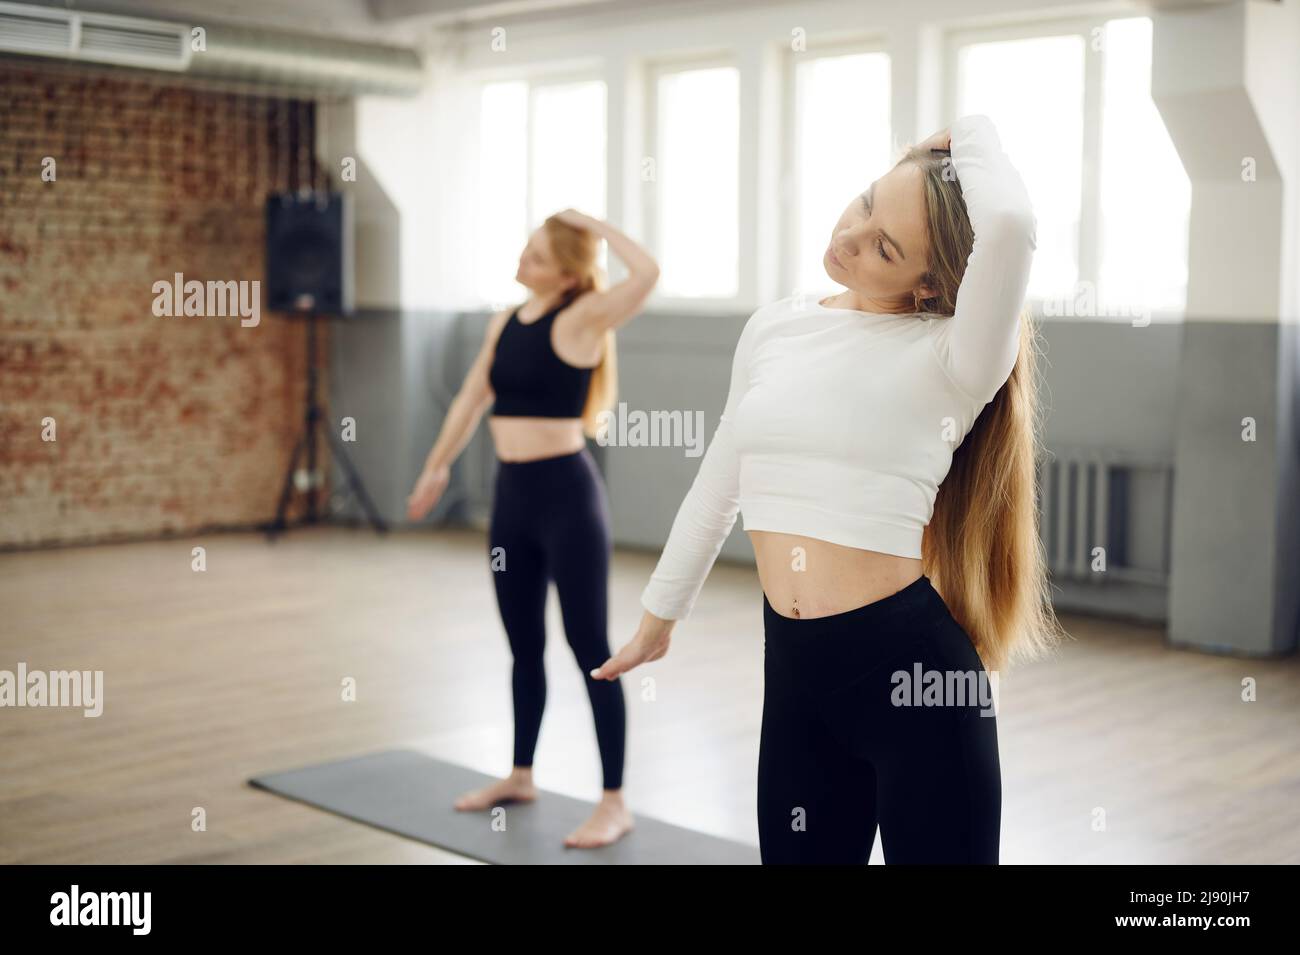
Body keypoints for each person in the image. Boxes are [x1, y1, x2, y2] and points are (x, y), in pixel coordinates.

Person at [592, 116, 1066, 863]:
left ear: (932, 283)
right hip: (796, 681)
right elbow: (724, 474)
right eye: (866, 203)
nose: (850, 237)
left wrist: (968, 134)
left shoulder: (956, 357)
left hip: (919, 687)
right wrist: (660, 614)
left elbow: (1009, 223)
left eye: (885, 246)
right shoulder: (777, 325)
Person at [407, 208, 659, 848]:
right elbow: (470, 399)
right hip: (511, 499)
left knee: (590, 651)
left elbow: (648, 273)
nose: (523, 262)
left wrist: (597, 228)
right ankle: (520, 774)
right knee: (523, 647)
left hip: (567, 500)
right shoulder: (503, 323)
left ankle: (614, 801)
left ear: (570, 274)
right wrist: (435, 469)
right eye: (526, 251)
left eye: (539, 257)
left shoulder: (581, 318)